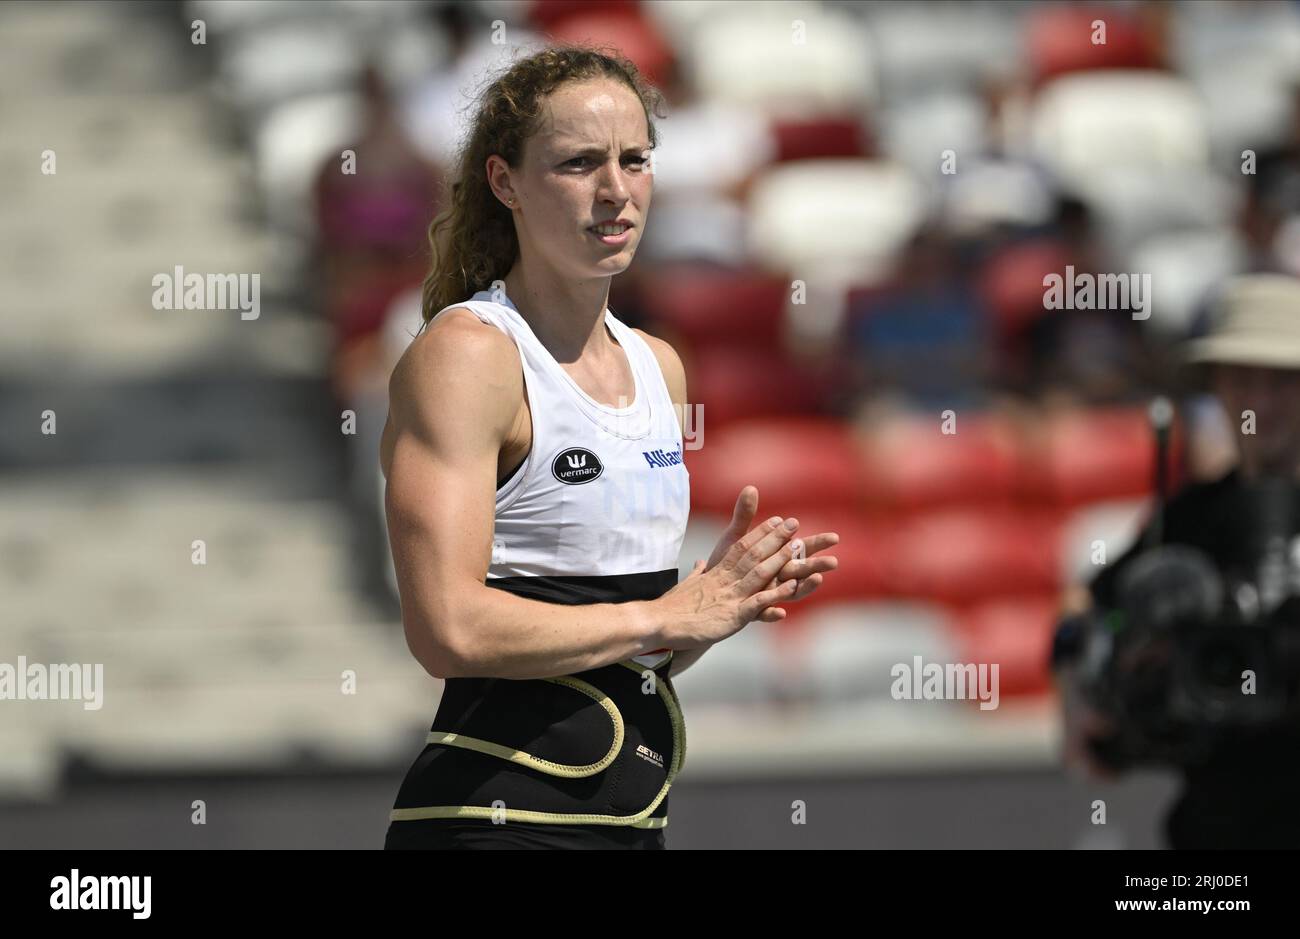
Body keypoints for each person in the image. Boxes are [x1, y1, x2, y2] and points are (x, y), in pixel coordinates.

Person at [379, 46, 840, 850]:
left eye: (636, 160)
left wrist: (712, 609)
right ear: (505, 183)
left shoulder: (661, 367)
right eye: (579, 163)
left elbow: (623, 652)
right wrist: (663, 612)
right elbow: (446, 627)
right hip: (492, 825)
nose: (616, 190)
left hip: (631, 828)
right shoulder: (471, 354)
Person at [1054, 272, 1300, 848]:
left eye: (1284, 382)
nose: (1260, 404)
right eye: (1242, 380)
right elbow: (1086, 605)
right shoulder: (1189, 517)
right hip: (1215, 831)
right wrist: (1081, 702)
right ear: (1216, 388)